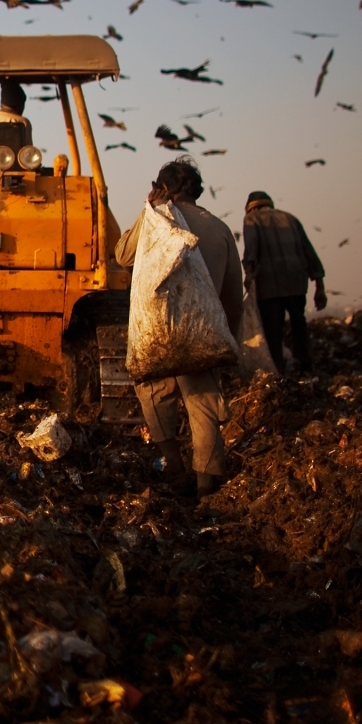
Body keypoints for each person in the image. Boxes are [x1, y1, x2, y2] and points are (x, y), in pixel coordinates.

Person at [114, 157, 244, 499]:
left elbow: (123, 255)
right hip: (202, 333)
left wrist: (149, 209)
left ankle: (173, 465)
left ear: (163, 188)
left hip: (157, 331)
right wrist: (228, 339)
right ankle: (205, 485)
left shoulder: (155, 219)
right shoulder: (220, 229)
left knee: (154, 394)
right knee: (203, 405)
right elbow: (233, 293)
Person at [241, 190, 326, 375]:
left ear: (250, 208)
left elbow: (251, 251)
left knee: (273, 330)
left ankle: (277, 370)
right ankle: (306, 365)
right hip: (296, 282)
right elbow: (309, 251)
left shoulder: (251, 219)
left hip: (269, 285)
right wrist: (320, 287)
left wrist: (249, 275)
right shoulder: (290, 219)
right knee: (299, 325)